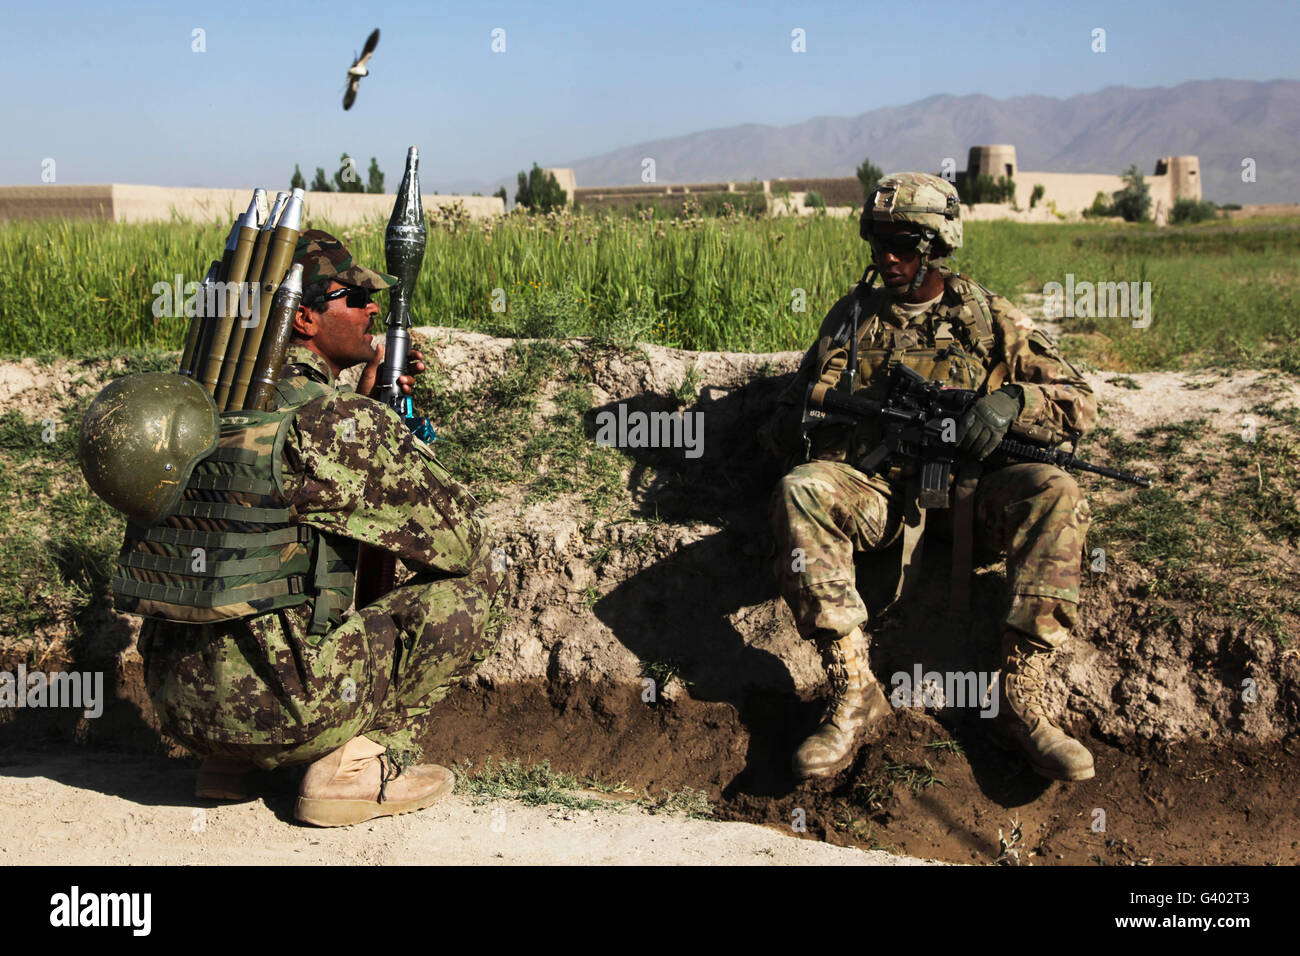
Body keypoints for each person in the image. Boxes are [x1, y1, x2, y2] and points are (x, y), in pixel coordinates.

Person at [81, 230, 503, 827]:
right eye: (353, 298)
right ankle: (356, 769)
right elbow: (459, 541)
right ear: (302, 317)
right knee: (479, 579)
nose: (372, 308)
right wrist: (383, 430)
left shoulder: (193, 407)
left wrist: (366, 413)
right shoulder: (330, 422)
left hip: (181, 711)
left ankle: (232, 767)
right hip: (290, 710)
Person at [759, 173, 1096, 783]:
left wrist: (1012, 404)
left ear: (937, 246)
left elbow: (1079, 401)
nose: (887, 258)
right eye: (879, 243)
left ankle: (1024, 697)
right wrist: (829, 424)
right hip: (879, 496)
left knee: (1058, 491)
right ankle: (853, 689)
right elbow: (789, 414)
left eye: (904, 245)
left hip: (973, 497)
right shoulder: (851, 318)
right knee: (800, 488)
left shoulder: (989, 317)